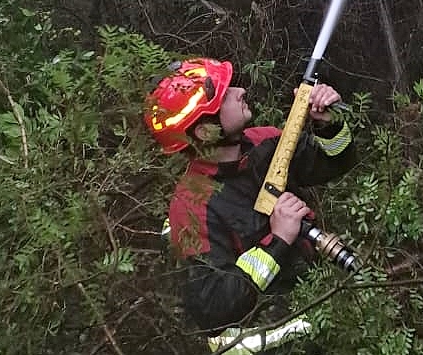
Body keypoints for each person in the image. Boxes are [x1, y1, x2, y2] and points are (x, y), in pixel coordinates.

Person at [145, 58, 356, 350]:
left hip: (325, 319)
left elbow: (336, 161)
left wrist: (327, 125)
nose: (240, 91)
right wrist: (278, 240)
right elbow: (213, 308)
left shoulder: (264, 143)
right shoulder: (192, 206)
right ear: (205, 131)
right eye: (225, 96)